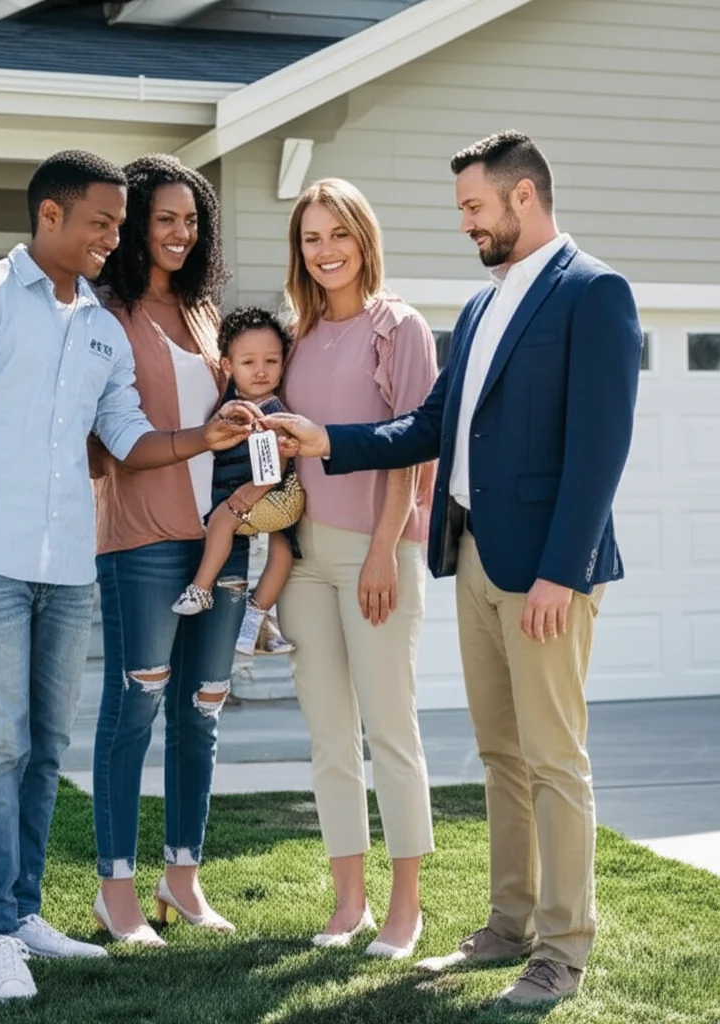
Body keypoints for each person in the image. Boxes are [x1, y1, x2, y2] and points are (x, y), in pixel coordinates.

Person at [264, 132, 642, 1005]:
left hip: (548, 569)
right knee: (503, 755)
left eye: (474, 207)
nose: (465, 223)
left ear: (522, 198)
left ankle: (563, 949)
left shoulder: (594, 292)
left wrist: (563, 571)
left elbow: (600, 450)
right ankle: (508, 926)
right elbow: (427, 427)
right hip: (473, 556)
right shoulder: (479, 307)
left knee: (555, 759)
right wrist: (330, 441)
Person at [0, 150, 253, 1003]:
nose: (114, 237)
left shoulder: (100, 325)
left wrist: (202, 441)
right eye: (102, 221)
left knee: (45, 748)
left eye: (117, 224)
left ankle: (25, 915)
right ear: (50, 216)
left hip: (66, 568)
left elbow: (129, 438)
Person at [88, 154, 254, 947]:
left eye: (192, 220)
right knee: (136, 709)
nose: (181, 234)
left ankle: (181, 880)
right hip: (145, 541)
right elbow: (116, 443)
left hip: (217, 544)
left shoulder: (204, 313)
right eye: (165, 219)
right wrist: (203, 434)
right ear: (134, 227)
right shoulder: (107, 314)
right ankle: (115, 890)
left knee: (202, 715)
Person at [276, 178, 439, 960]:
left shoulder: (397, 327)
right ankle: (349, 904)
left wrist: (384, 548)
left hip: (378, 552)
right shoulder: (297, 334)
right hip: (304, 558)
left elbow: (413, 440)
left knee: (390, 730)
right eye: (311, 237)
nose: (326, 250)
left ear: (363, 238)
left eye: (338, 233)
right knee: (330, 738)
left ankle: (405, 910)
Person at [172, 305, 301, 658]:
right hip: (264, 494)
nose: (261, 371)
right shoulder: (232, 405)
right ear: (228, 366)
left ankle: (201, 587)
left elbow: (278, 461)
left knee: (223, 520)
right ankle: (256, 622)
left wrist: (247, 495)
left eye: (271, 362)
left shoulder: (273, 412)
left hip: (274, 494)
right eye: (249, 363)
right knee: (282, 553)